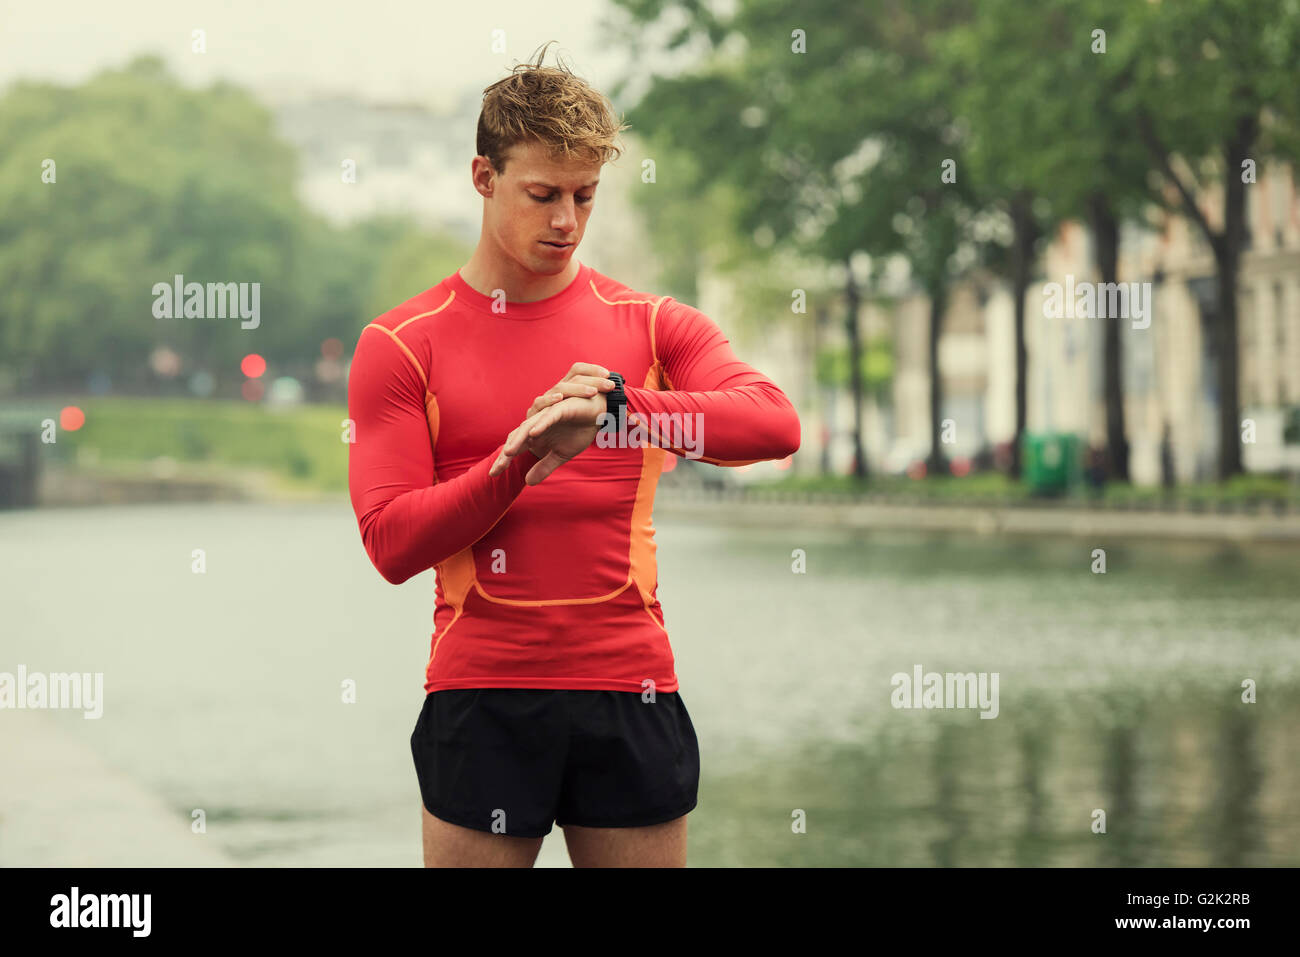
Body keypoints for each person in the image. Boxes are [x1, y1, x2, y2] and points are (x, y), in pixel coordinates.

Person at [347, 43, 800, 867]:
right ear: (483, 178)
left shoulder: (652, 325)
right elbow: (389, 542)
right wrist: (515, 461)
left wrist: (623, 411)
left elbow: (772, 425)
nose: (566, 221)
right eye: (543, 194)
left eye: (585, 196)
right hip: (481, 694)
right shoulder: (402, 343)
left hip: (630, 688)